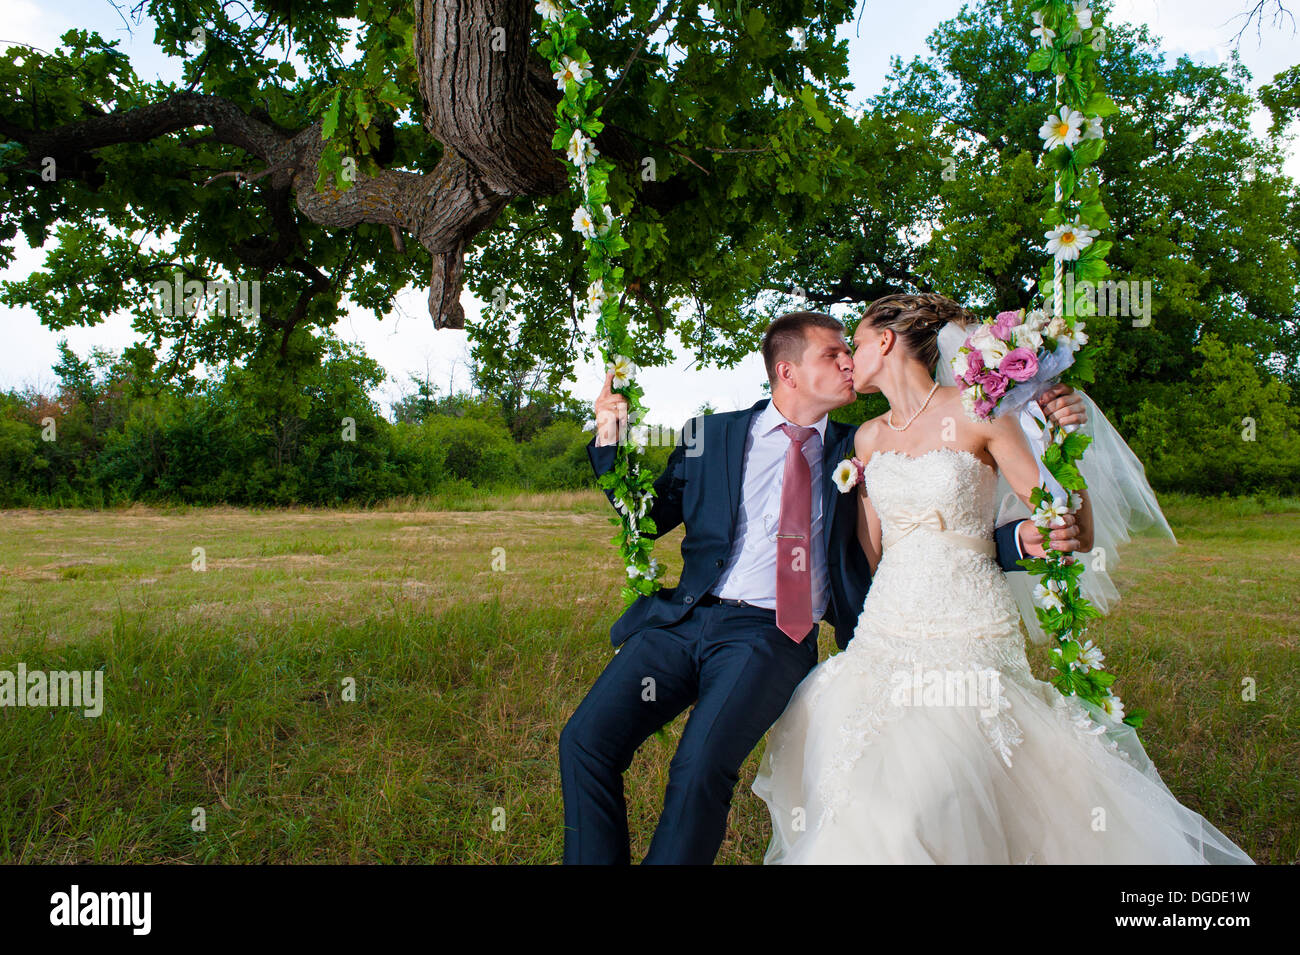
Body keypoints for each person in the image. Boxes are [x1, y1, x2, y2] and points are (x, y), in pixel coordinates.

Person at [558, 308, 1088, 864]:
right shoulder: (709, 434)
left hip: (769, 635)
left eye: (848, 350)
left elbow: (931, 526)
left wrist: (1019, 540)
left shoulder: (856, 447)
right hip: (684, 621)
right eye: (831, 354)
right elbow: (647, 519)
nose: (846, 361)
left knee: (699, 765)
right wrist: (609, 440)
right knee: (586, 741)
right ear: (787, 372)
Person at [750, 293, 1254, 864]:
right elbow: (868, 553)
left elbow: (1070, 527)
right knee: (871, 790)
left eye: (856, 345)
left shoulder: (981, 415)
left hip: (968, 621)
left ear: (885, 341)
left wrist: (1063, 446)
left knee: (944, 779)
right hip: (889, 624)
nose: (848, 359)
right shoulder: (866, 440)